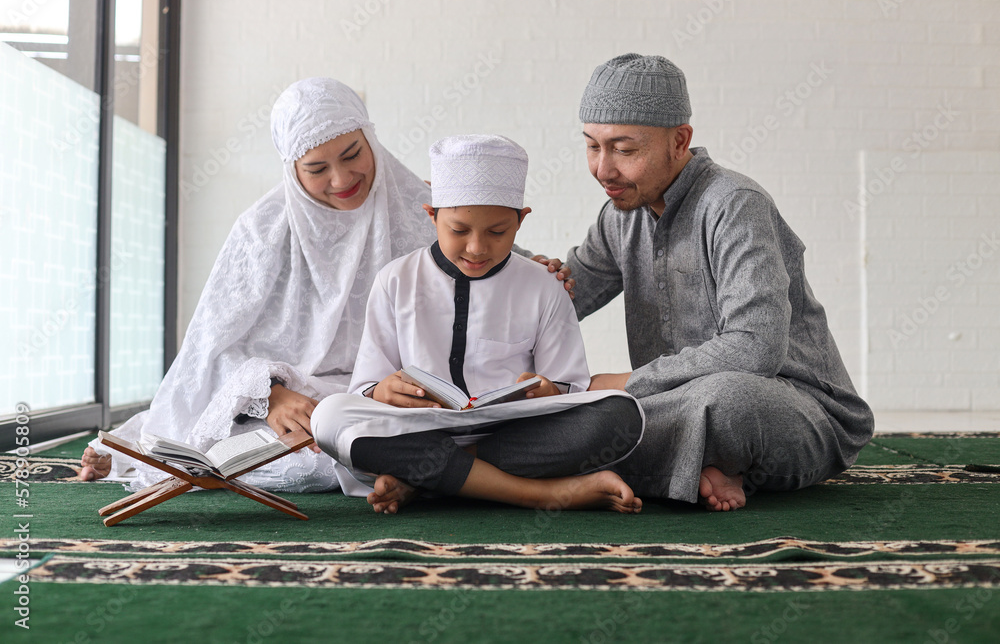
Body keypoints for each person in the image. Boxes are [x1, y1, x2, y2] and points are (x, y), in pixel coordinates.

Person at [80, 79, 571, 493]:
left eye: (353, 154)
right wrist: (270, 396)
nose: (342, 179)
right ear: (293, 171)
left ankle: (430, 466)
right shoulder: (261, 230)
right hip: (292, 398)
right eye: (317, 169)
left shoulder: (415, 204)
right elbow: (209, 349)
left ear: (371, 138)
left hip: (398, 396)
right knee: (280, 452)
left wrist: (537, 266)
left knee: (369, 438)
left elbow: (479, 249)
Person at [568, 54, 875, 511]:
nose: (603, 169)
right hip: (680, 408)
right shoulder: (620, 215)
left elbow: (755, 349)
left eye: (624, 150)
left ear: (679, 141)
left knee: (724, 399)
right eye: (593, 146)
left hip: (794, 410)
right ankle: (698, 467)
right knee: (573, 411)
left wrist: (626, 382)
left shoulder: (734, 204)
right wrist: (474, 239)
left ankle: (580, 464)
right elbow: (558, 299)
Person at [311, 134, 645, 514]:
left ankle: (422, 478)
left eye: (497, 232)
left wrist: (550, 391)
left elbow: (570, 384)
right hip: (418, 429)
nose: (476, 248)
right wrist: (381, 392)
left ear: (521, 220)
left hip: (508, 430)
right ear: (432, 215)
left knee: (619, 416)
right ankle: (540, 494)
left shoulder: (543, 285)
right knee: (329, 415)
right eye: (458, 230)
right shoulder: (395, 279)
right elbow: (365, 386)